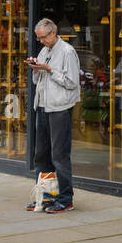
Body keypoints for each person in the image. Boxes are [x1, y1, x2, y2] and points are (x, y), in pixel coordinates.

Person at [27, 18, 81, 213]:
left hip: (59, 108)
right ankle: (46, 196)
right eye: (38, 38)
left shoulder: (67, 52)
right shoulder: (44, 50)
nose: (40, 41)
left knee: (59, 155)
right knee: (41, 155)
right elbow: (37, 81)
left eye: (43, 37)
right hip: (42, 106)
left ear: (53, 33)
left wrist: (49, 69)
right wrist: (36, 68)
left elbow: (72, 82)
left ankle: (66, 199)